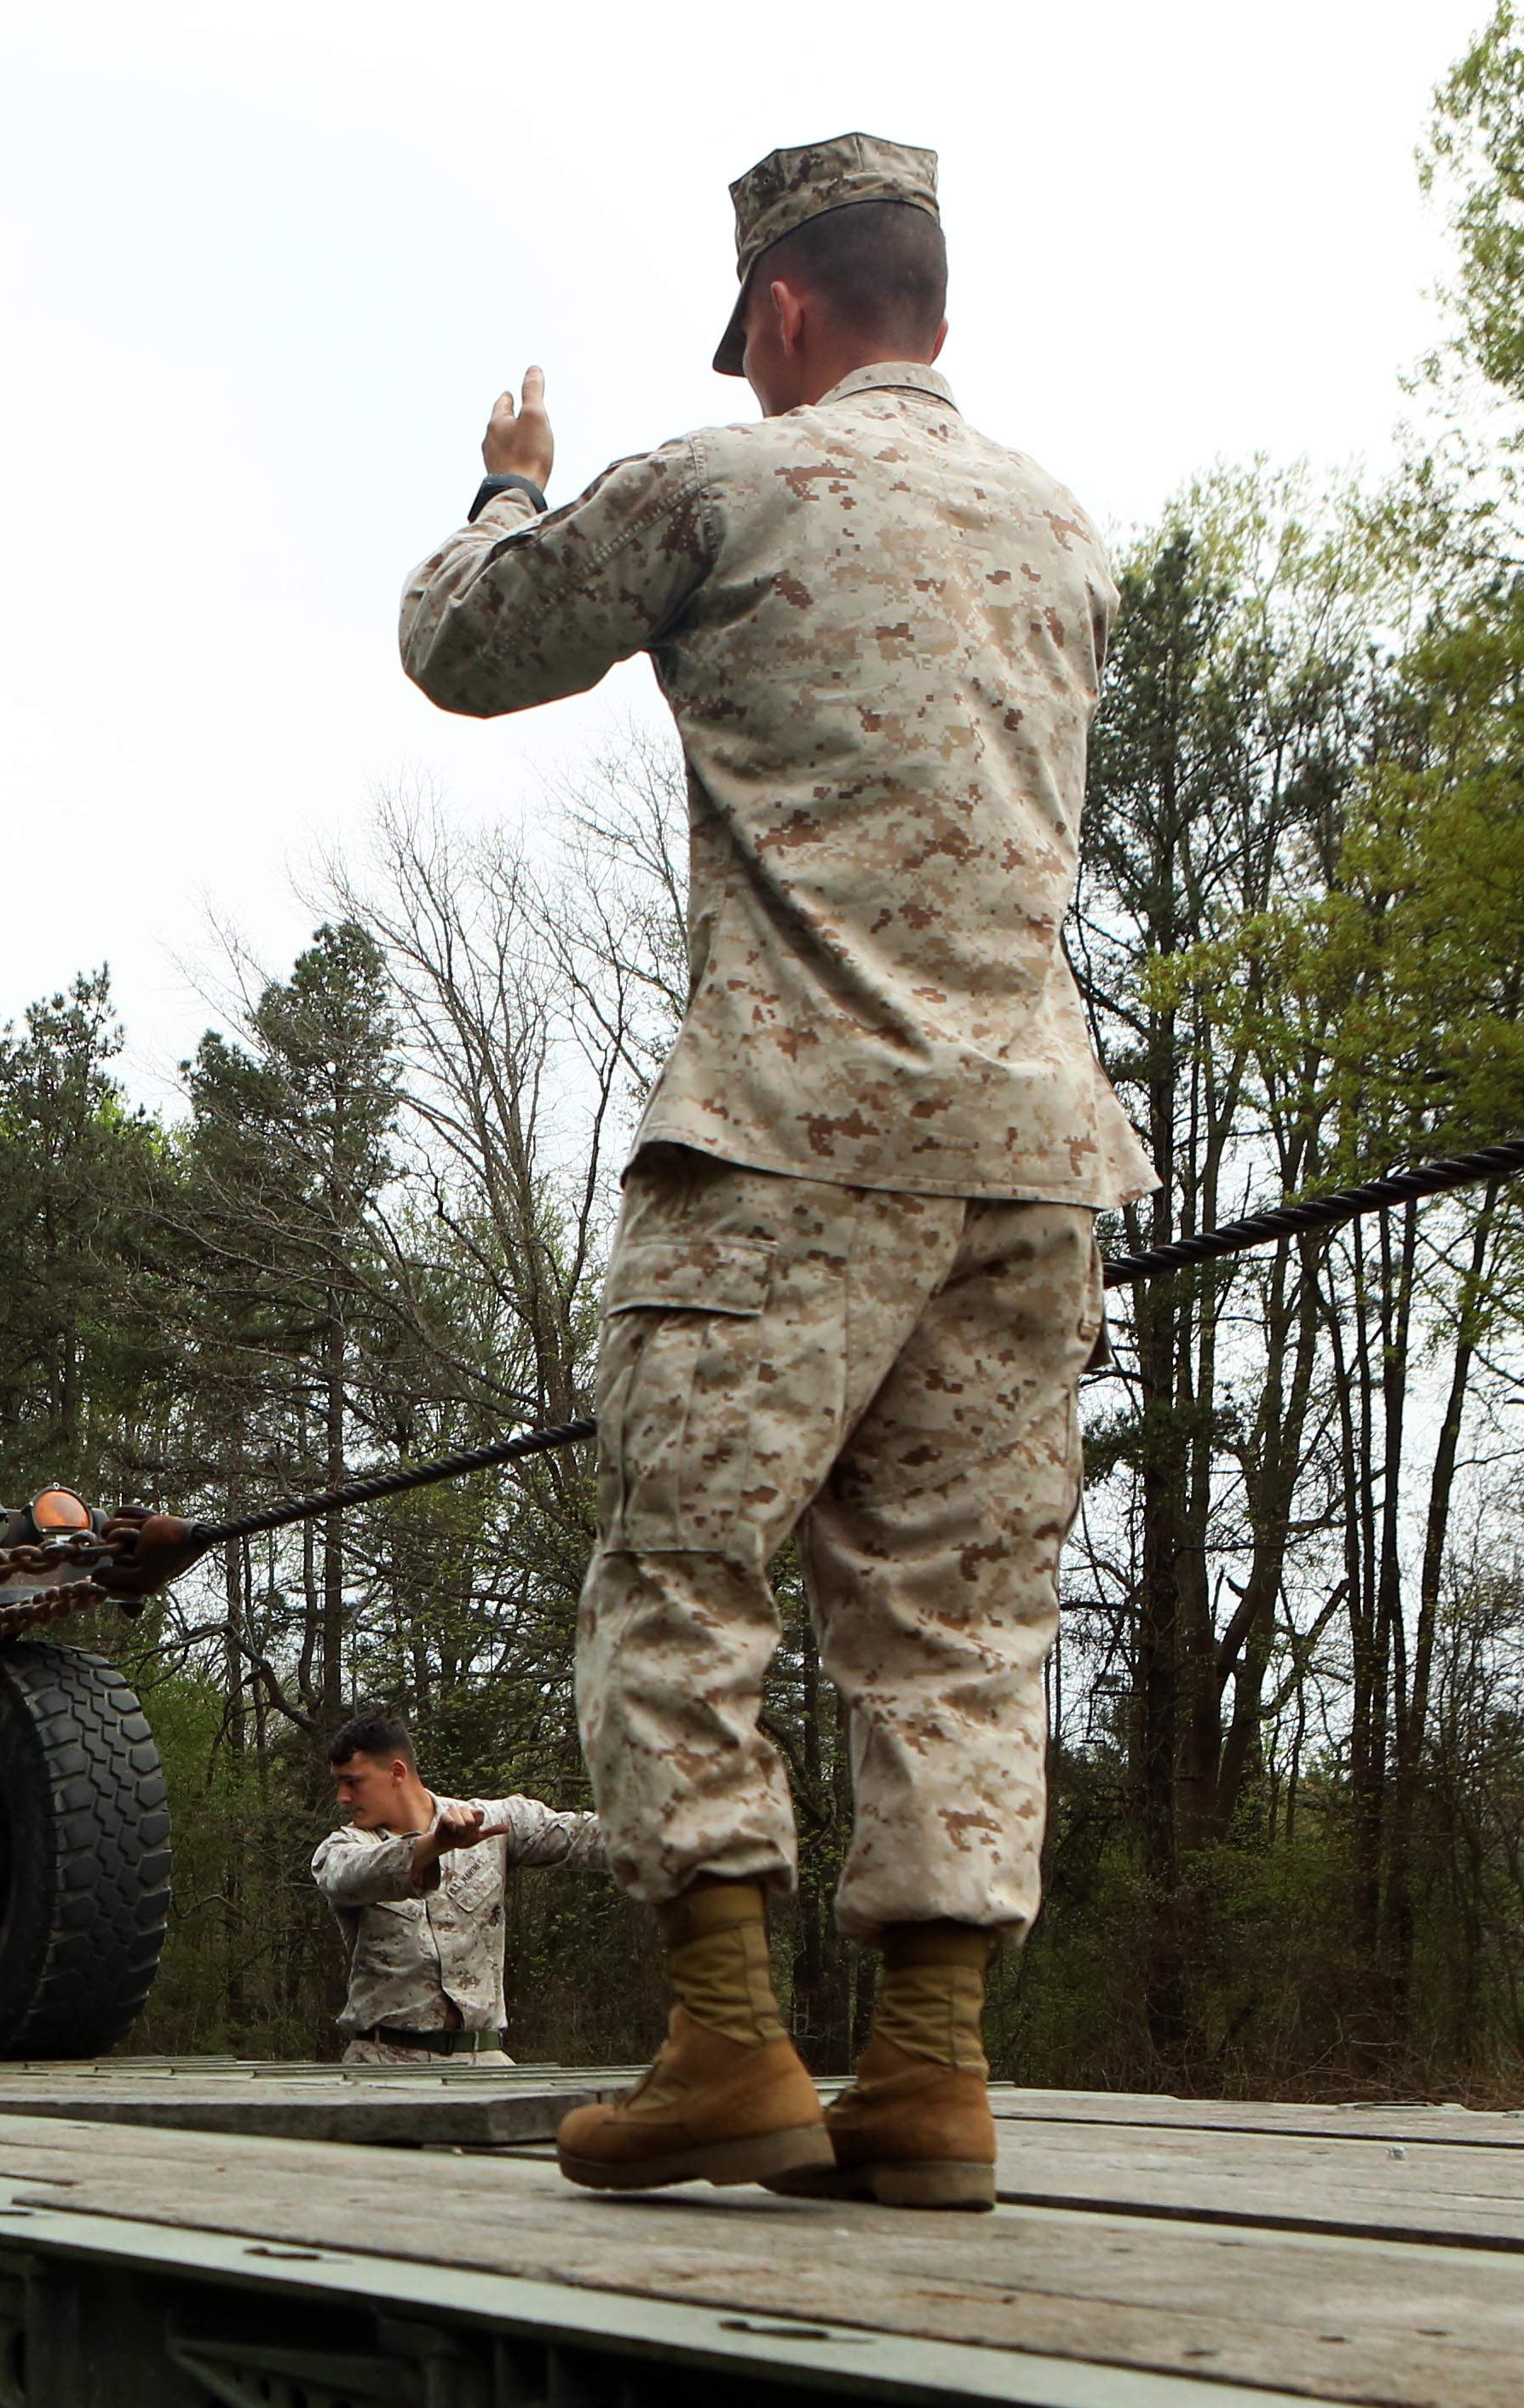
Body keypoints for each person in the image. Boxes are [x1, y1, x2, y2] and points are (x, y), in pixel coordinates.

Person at [398, 135, 1140, 2209]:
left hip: (791, 1134)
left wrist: (505, 484)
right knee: (960, 1613)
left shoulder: (724, 485)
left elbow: (461, 644)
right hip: (1030, 1157)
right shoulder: (1064, 530)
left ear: (785, 314)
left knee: (680, 1572)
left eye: (749, 345)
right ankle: (926, 2074)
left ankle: (725, 2044)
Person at [307, 1714, 608, 2064]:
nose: (342, 1797)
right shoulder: (344, 1847)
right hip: (382, 2063)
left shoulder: (488, 1825)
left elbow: (583, 1837)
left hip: (482, 2060)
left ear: (397, 1772)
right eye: (338, 1784)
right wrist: (436, 1844)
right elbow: (348, 1876)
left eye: (352, 1782)